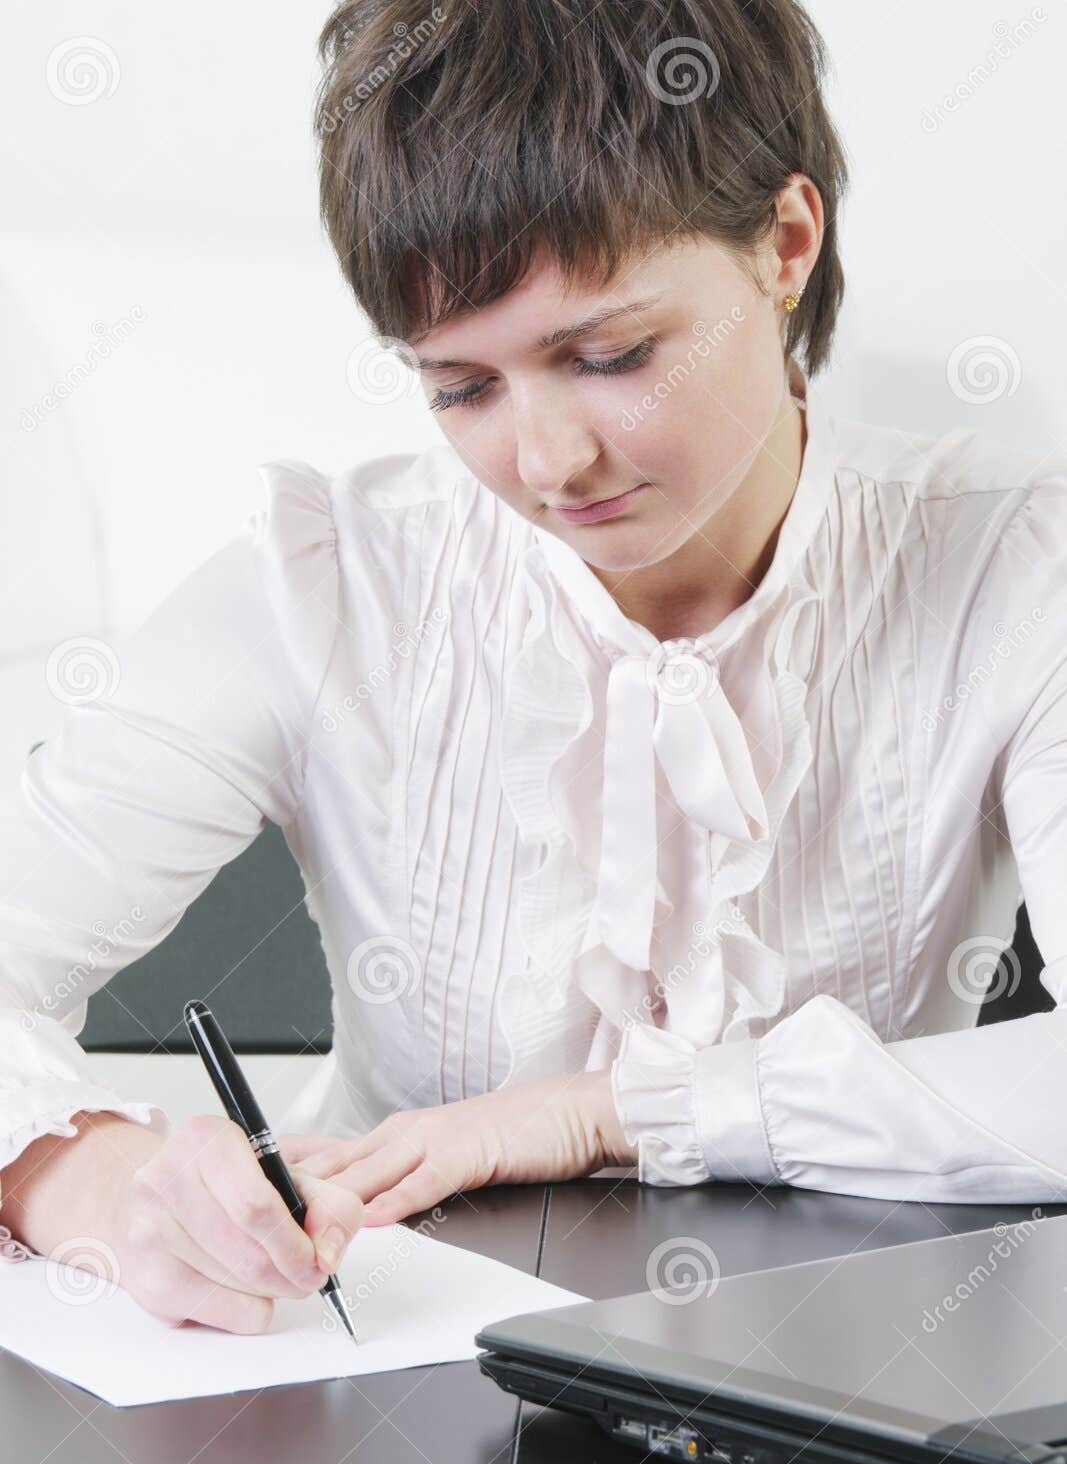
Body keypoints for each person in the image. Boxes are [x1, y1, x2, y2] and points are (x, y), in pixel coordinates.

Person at [3, 0, 1065, 1338]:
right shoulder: (319, 581)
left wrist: (603, 1112)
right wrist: (91, 1177)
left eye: (609, 355)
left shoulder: (1022, 560)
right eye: (462, 388)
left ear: (786, 243)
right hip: (374, 1357)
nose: (550, 462)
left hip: (845, 1372)